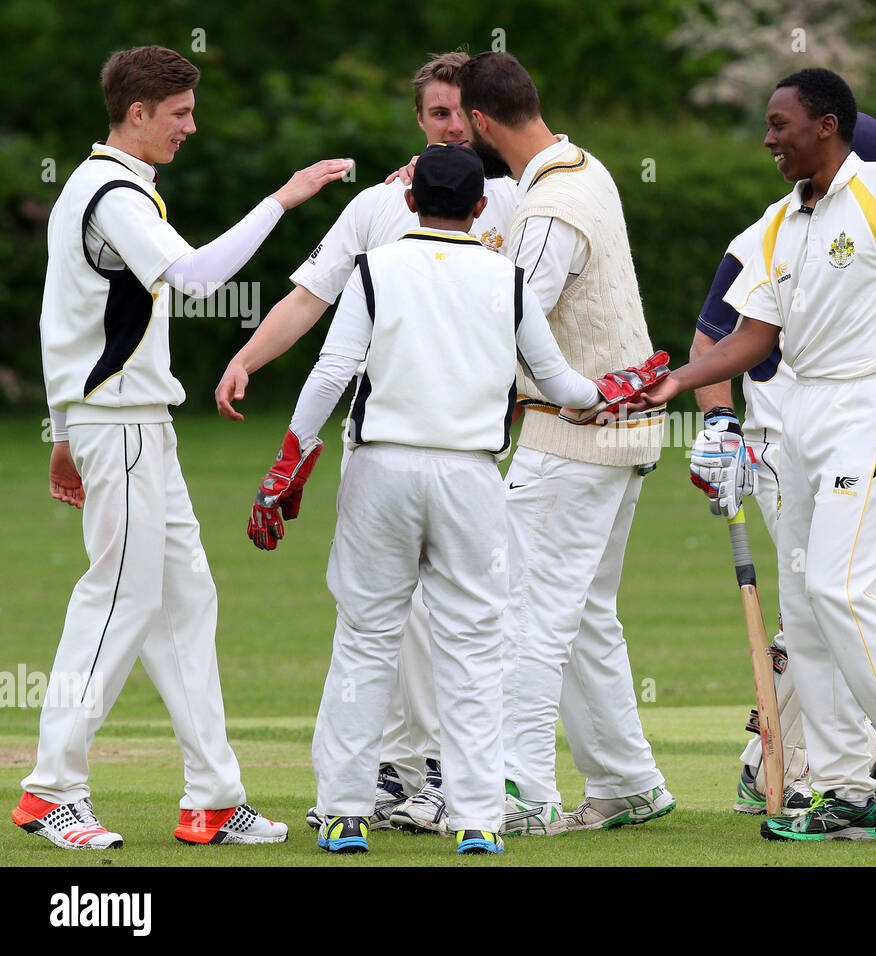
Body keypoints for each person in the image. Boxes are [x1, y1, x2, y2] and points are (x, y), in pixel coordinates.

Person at [249, 144, 661, 855]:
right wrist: (615, 391)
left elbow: (332, 371)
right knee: (473, 647)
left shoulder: (376, 270)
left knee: (365, 640)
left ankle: (345, 811)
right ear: (480, 210)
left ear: (409, 202)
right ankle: (477, 816)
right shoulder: (506, 278)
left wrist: (291, 459)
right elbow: (560, 383)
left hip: (381, 470)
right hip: (469, 477)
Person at [15, 45, 350, 850]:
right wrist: (285, 198)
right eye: (180, 114)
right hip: (123, 424)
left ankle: (212, 798)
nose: (190, 127)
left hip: (132, 427)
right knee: (120, 597)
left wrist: (64, 435)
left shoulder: (108, 188)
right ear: (137, 114)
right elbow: (199, 278)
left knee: (185, 602)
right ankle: (49, 791)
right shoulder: (110, 191)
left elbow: (61, 314)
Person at [641, 68, 876, 843]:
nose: (768, 138)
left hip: (870, 399)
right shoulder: (777, 224)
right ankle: (840, 787)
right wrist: (672, 386)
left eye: (780, 124)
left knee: (839, 588)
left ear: (825, 125)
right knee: (803, 606)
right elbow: (753, 339)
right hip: (792, 417)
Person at [214, 52, 517, 835]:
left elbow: (537, 333)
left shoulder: (516, 199)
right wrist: (247, 358)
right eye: (439, 114)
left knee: (439, 631)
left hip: (471, 449)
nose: (453, 126)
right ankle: (397, 780)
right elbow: (310, 301)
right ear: (421, 120)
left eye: (463, 112)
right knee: (389, 629)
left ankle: (427, 783)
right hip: (382, 448)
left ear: (485, 115)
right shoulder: (381, 207)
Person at [456, 51, 674, 834]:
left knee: (524, 611)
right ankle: (627, 782)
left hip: (575, 435)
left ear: (483, 122)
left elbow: (514, 319)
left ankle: (522, 792)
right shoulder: (581, 170)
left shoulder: (549, 207)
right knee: (582, 615)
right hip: (616, 431)